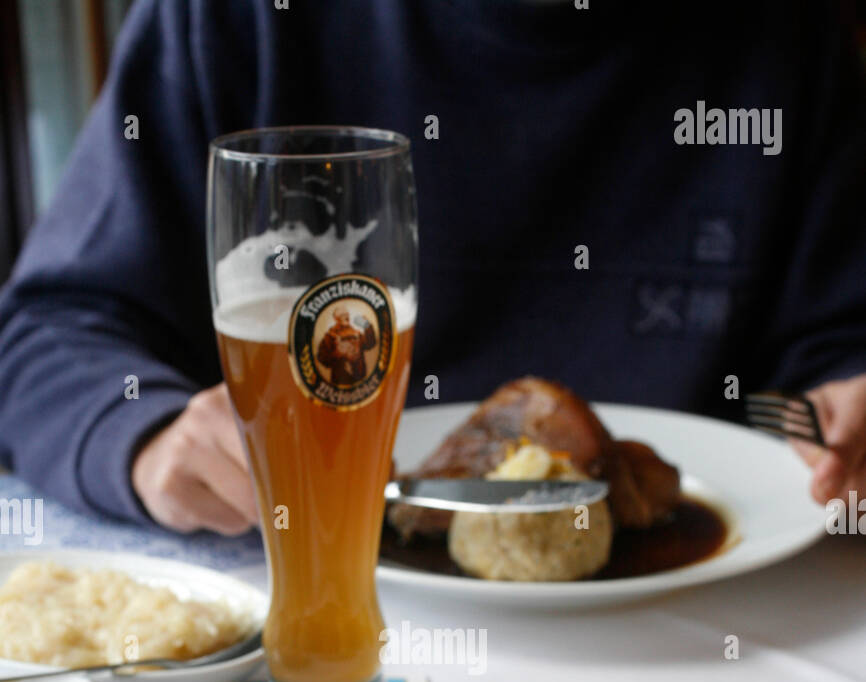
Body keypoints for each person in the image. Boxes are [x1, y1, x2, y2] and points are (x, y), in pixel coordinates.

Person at [0, 0, 864, 536]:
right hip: (301, 613)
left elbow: (834, 343)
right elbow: (49, 333)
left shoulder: (792, 31)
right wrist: (146, 440)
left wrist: (845, 398)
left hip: (712, 626)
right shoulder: (237, 19)